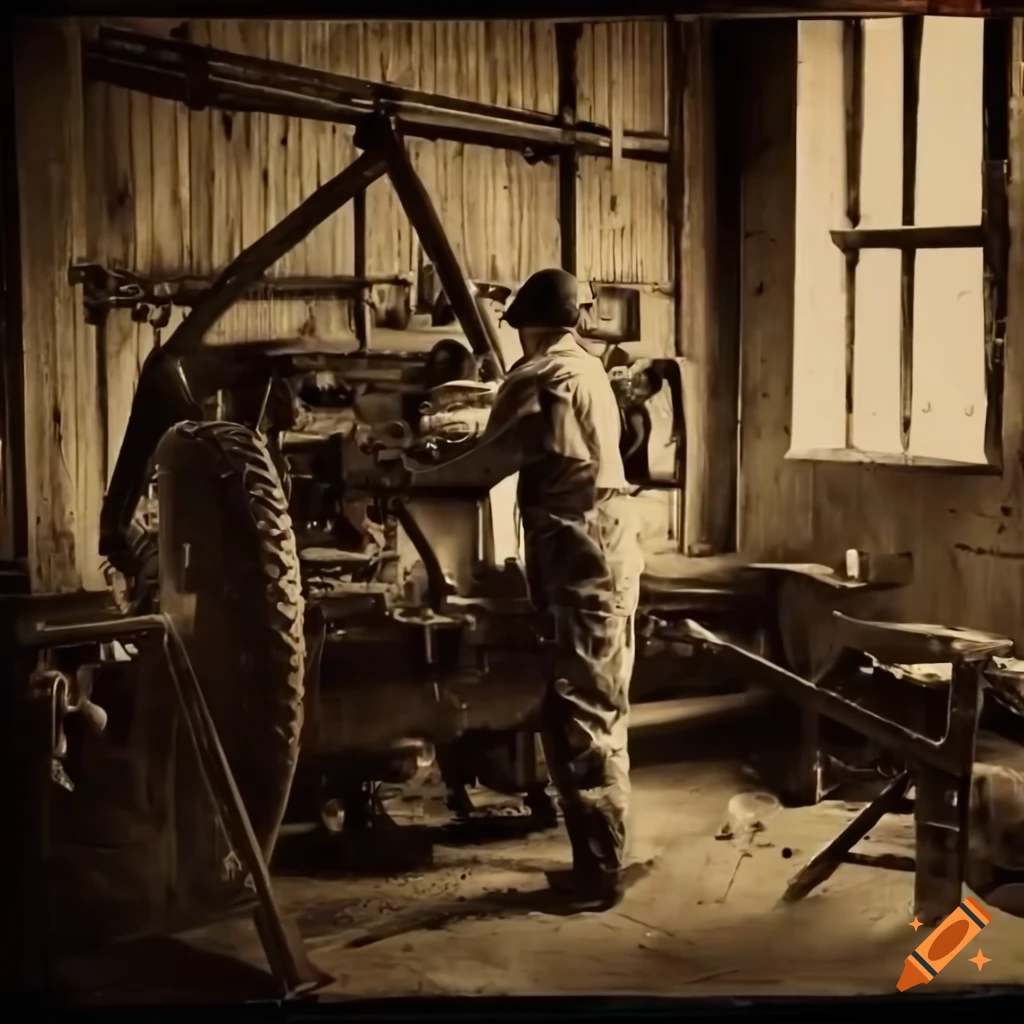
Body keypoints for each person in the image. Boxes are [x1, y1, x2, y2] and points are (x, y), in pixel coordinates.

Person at [400, 267, 645, 910]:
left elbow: (496, 457)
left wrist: (413, 472)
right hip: (604, 546)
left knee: (583, 710)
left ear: (522, 328)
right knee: (588, 704)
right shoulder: (588, 367)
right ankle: (597, 861)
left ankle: (600, 874)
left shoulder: (540, 376)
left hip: (581, 555)